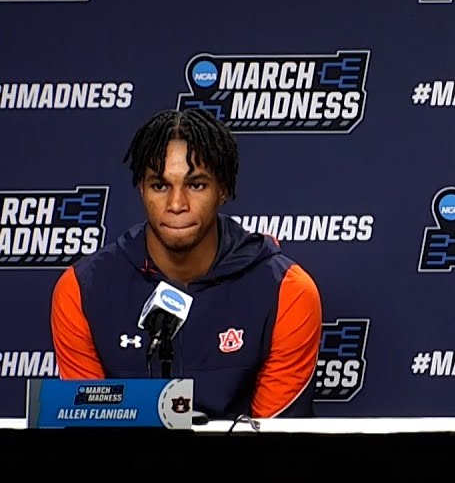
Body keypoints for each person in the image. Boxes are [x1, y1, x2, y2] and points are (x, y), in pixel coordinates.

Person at [50, 108, 322, 419]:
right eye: (160, 185)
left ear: (224, 190)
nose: (176, 205)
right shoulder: (82, 291)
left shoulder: (287, 292)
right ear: (141, 189)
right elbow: (87, 428)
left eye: (196, 185)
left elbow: (274, 438)